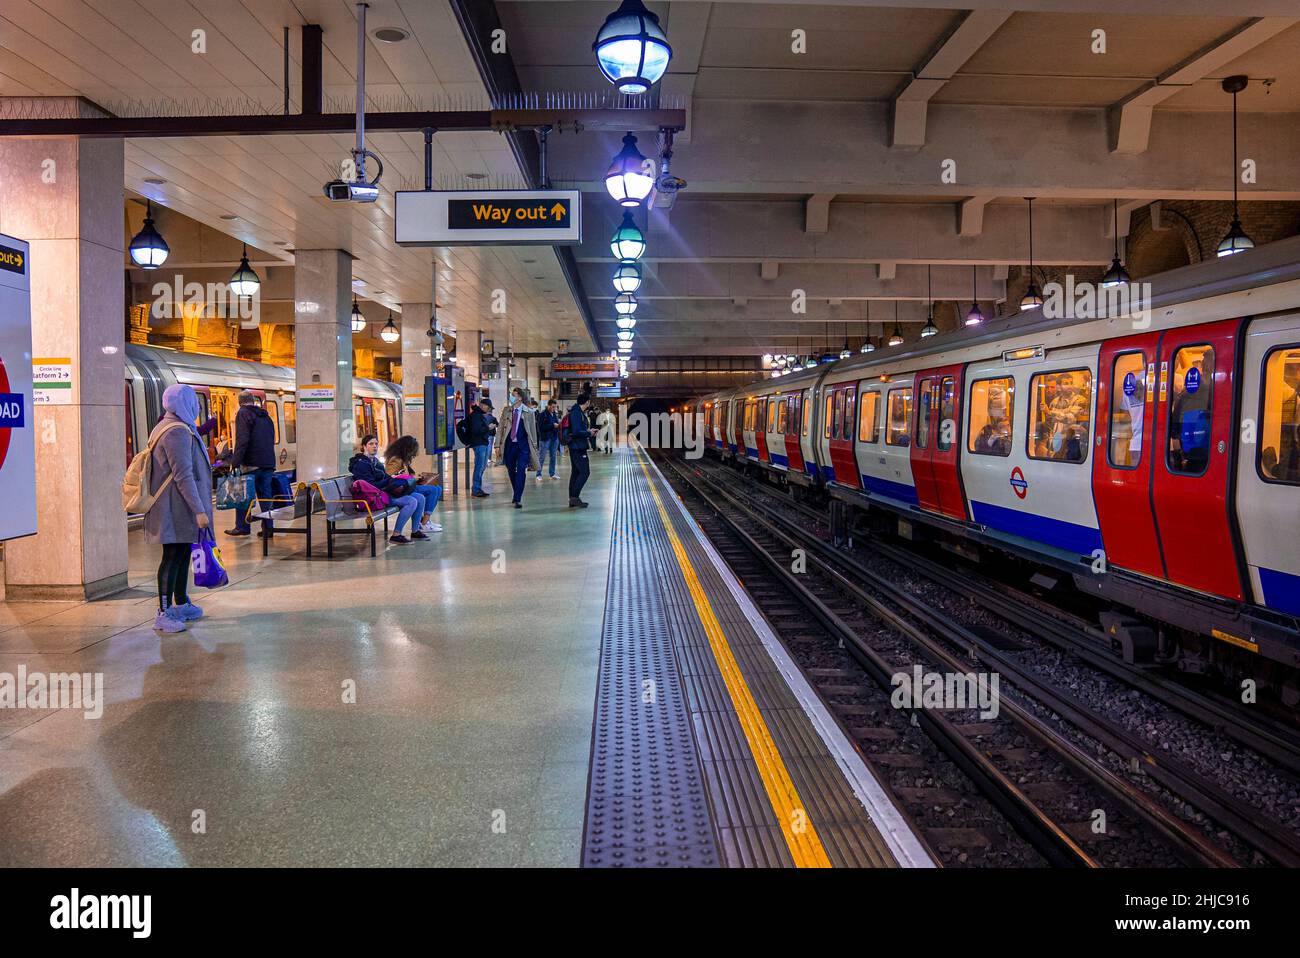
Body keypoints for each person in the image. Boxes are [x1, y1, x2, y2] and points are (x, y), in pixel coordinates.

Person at [144, 384, 215, 633]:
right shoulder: (175, 432)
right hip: (173, 507)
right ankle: (163, 613)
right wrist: (199, 510)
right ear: (183, 403)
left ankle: (181, 602)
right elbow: (183, 474)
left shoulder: (172, 426)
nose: (196, 407)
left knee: (183, 553)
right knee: (172, 556)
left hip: (178, 505)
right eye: (191, 401)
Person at [348, 435, 425, 543]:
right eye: (371, 444)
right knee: (411, 501)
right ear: (364, 446)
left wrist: (394, 478)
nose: (374, 446)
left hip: (383, 493)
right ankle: (396, 535)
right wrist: (390, 480)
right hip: (373, 498)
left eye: (376, 444)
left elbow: (384, 478)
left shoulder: (375, 461)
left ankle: (415, 531)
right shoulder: (361, 464)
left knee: (420, 497)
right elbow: (370, 486)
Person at [225, 390, 278, 538]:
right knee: (265, 496)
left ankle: (242, 527)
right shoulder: (265, 416)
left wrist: (235, 462)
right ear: (253, 400)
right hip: (267, 462)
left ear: (240, 402)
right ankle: (269, 528)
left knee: (243, 495)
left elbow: (242, 440)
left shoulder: (243, 413)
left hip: (251, 463)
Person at [384, 435, 442, 533]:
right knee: (433, 490)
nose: (413, 454)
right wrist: (412, 478)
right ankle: (424, 523)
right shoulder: (396, 460)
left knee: (438, 488)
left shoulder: (402, 459)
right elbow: (390, 477)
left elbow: (403, 475)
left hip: (406, 487)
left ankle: (425, 521)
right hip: (400, 489)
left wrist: (415, 478)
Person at [494, 386, 539, 509]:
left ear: (519, 397)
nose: (511, 397)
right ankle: (516, 492)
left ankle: (517, 498)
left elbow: (533, 431)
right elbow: (500, 430)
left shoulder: (528, 412)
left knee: (521, 470)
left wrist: (535, 447)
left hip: (523, 446)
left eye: (513, 395)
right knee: (510, 469)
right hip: (509, 445)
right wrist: (497, 445)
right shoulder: (507, 411)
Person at [565, 391, 593, 508]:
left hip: (576, 446)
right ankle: (575, 497)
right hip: (577, 447)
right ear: (587, 402)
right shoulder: (577, 413)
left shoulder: (577, 412)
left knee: (576, 473)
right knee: (585, 472)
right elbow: (576, 431)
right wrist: (588, 433)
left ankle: (573, 499)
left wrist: (589, 433)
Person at [464, 397, 495, 498]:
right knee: (479, 466)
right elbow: (476, 430)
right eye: (488, 408)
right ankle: (476, 489)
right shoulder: (476, 416)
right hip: (479, 444)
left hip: (482, 443)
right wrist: (488, 427)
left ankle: (478, 488)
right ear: (483, 405)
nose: (489, 410)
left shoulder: (479, 415)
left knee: (482, 466)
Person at [535, 398, 561, 482]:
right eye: (553, 407)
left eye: (555, 407)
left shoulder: (554, 415)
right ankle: (538, 474)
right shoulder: (542, 415)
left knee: (553, 457)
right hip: (545, 439)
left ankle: (552, 473)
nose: (554, 409)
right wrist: (552, 425)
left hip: (554, 438)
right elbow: (541, 427)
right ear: (548, 406)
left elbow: (557, 425)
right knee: (541, 457)